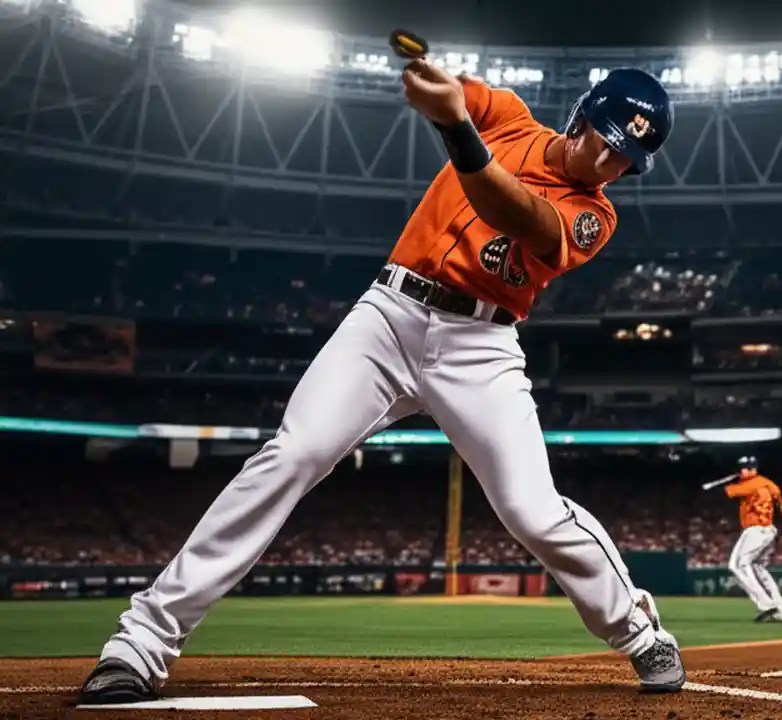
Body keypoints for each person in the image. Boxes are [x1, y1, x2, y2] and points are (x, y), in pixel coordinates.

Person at [77, 61, 683, 704]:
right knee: (292, 454)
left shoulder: (593, 215)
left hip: (481, 348)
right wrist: (439, 92)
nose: (614, 164)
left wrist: (454, 127)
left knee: (531, 509)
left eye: (629, 160)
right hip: (387, 319)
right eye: (611, 143)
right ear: (582, 117)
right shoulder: (507, 115)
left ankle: (639, 632)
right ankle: (139, 645)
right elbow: (451, 96)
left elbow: (514, 210)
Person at [724, 456, 782, 622]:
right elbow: (777, 493)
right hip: (768, 530)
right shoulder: (767, 482)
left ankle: (766, 604)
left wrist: (733, 481)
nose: (742, 471)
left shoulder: (750, 484)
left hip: (755, 530)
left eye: (744, 468)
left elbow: (730, 492)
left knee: (737, 565)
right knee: (758, 567)